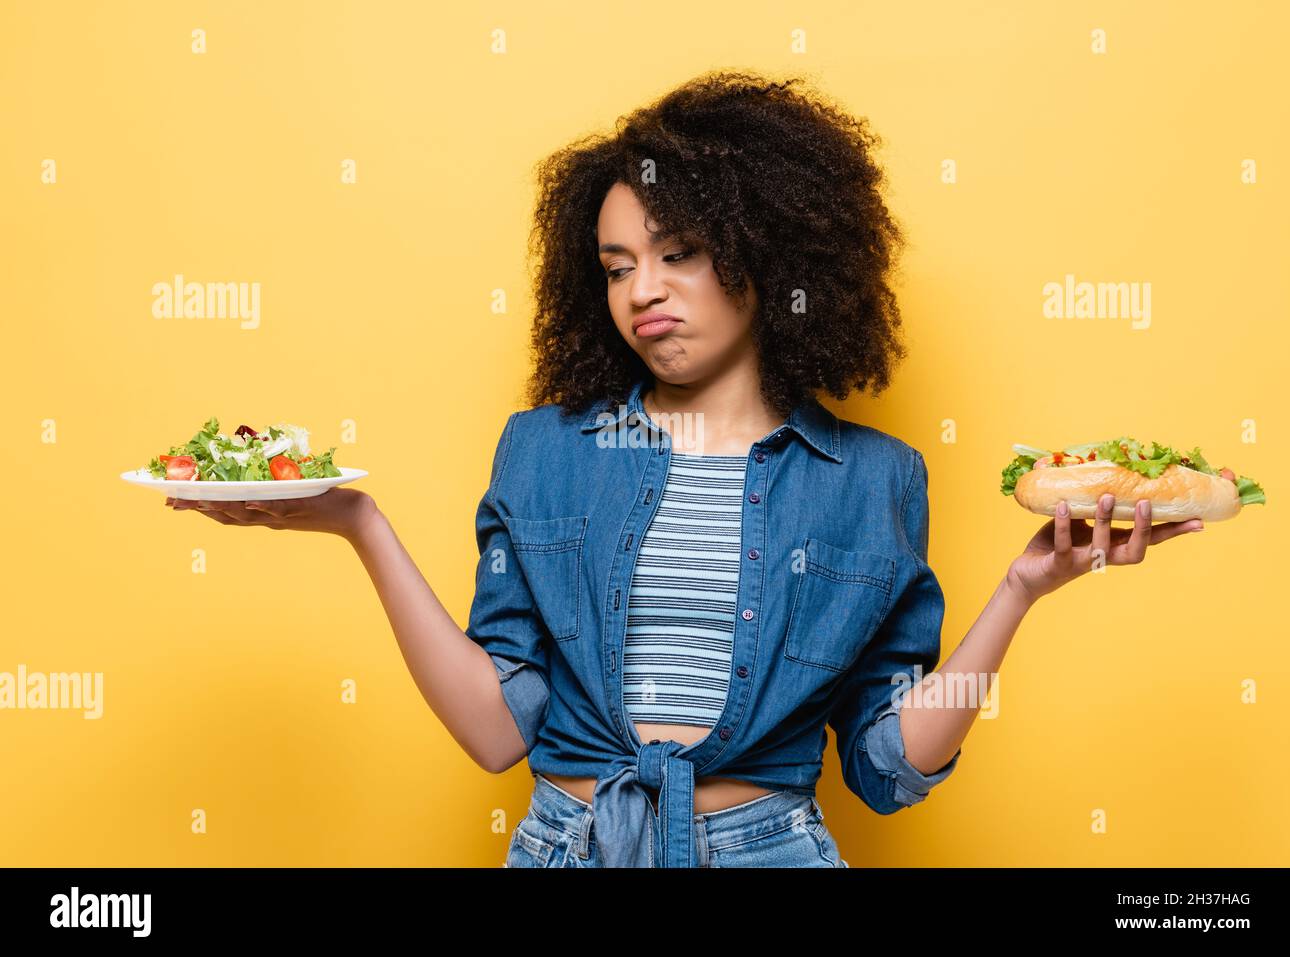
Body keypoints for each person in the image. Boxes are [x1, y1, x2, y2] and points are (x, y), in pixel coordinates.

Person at [165, 71, 1205, 867]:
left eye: (677, 253)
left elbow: (891, 768)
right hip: (571, 844)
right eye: (617, 267)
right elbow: (494, 734)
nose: (641, 291)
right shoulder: (545, 452)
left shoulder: (870, 479)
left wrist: (1023, 589)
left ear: (768, 251)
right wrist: (361, 526)